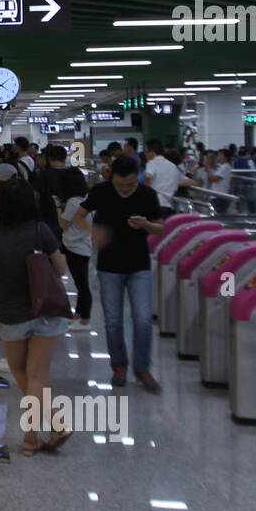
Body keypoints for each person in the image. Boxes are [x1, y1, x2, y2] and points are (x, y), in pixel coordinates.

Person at [0, 177, 71, 456]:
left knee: (22, 373)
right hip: (47, 311)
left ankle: (51, 425)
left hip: (12, 313)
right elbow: (61, 269)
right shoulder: (41, 231)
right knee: (38, 376)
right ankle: (34, 435)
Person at [72, 154, 164, 392]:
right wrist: (94, 231)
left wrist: (145, 225)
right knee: (113, 322)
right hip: (109, 267)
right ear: (112, 178)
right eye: (121, 184)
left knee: (143, 320)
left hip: (139, 266)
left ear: (137, 179)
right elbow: (79, 216)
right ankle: (119, 366)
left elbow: (160, 226)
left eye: (130, 185)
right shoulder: (101, 192)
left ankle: (142, 367)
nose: (126, 189)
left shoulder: (147, 195)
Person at [57, 166, 94, 328]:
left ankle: (84, 318)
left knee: (82, 284)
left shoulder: (73, 202)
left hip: (74, 246)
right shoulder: (87, 198)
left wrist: (57, 207)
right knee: (82, 282)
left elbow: (63, 224)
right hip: (84, 244)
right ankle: (79, 314)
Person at [143, 138, 193, 218]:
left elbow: (148, 176)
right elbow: (190, 181)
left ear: (151, 152)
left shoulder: (152, 163)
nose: (145, 154)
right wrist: (175, 183)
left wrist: (146, 190)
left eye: (146, 152)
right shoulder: (172, 165)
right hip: (169, 206)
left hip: (155, 203)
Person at [32, 144, 70, 240]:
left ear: (49, 158)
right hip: (68, 215)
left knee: (50, 244)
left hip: (48, 215)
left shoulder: (44, 174)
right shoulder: (71, 173)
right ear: (65, 157)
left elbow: (36, 195)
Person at [209, 148, 233, 213]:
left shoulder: (225, 167)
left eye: (220, 155)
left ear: (226, 157)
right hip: (217, 196)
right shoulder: (221, 167)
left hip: (220, 197)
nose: (218, 157)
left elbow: (213, 179)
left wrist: (207, 167)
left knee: (219, 215)